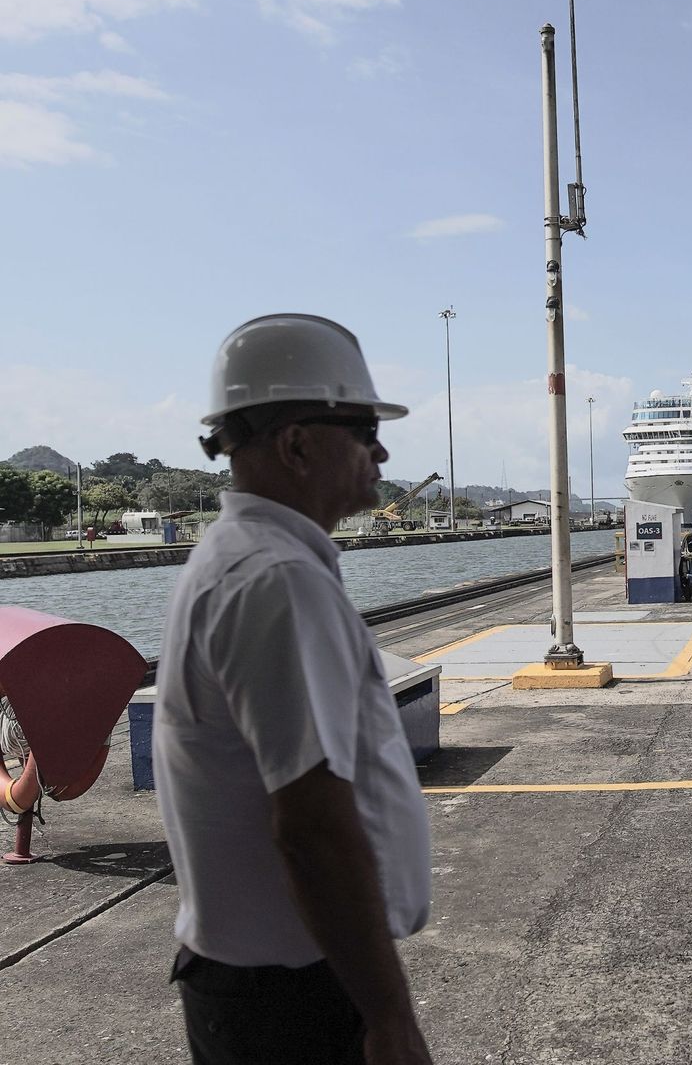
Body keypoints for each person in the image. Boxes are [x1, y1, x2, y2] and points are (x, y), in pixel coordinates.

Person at [155, 314, 433, 1065]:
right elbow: (311, 821)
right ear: (297, 443)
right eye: (363, 426)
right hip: (292, 1005)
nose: (380, 450)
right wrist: (388, 1017)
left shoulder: (240, 558)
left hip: (263, 987)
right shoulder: (277, 580)